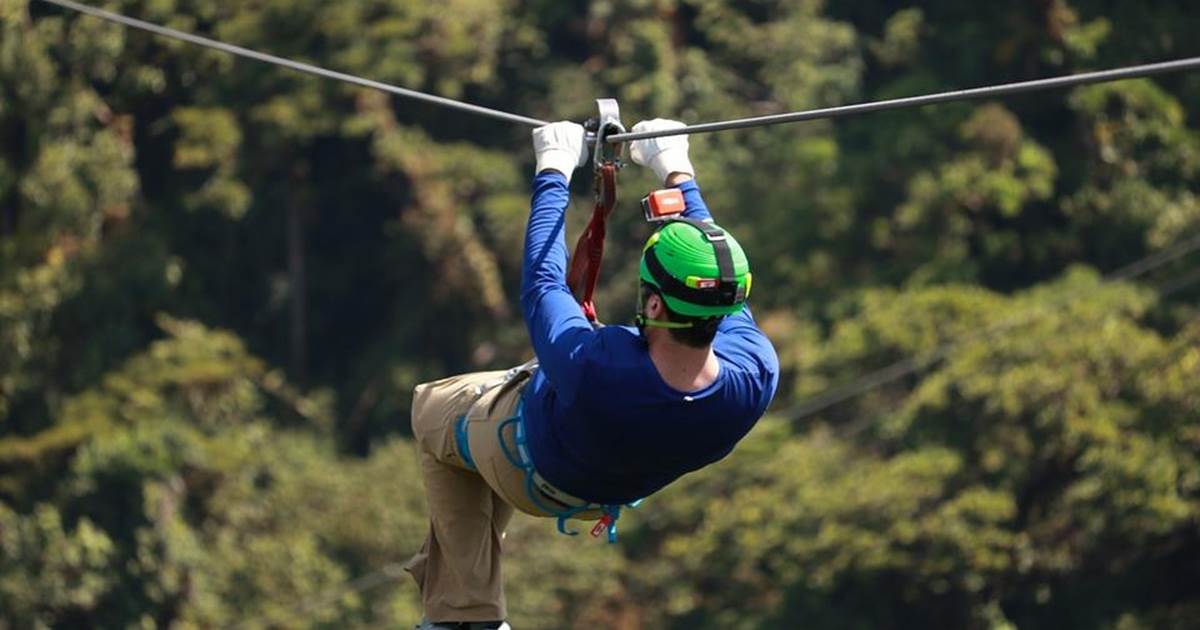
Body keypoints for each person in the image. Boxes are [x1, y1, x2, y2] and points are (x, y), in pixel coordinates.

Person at [406, 118, 779, 630]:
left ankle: (464, 612)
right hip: (602, 491)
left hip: (528, 466)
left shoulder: (594, 366)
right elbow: (717, 279)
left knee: (432, 408)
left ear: (651, 301)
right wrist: (677, 173)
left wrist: (553, 170)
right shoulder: (754, 374)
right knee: (490, 432)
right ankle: (464, 610)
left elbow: (542, 280)